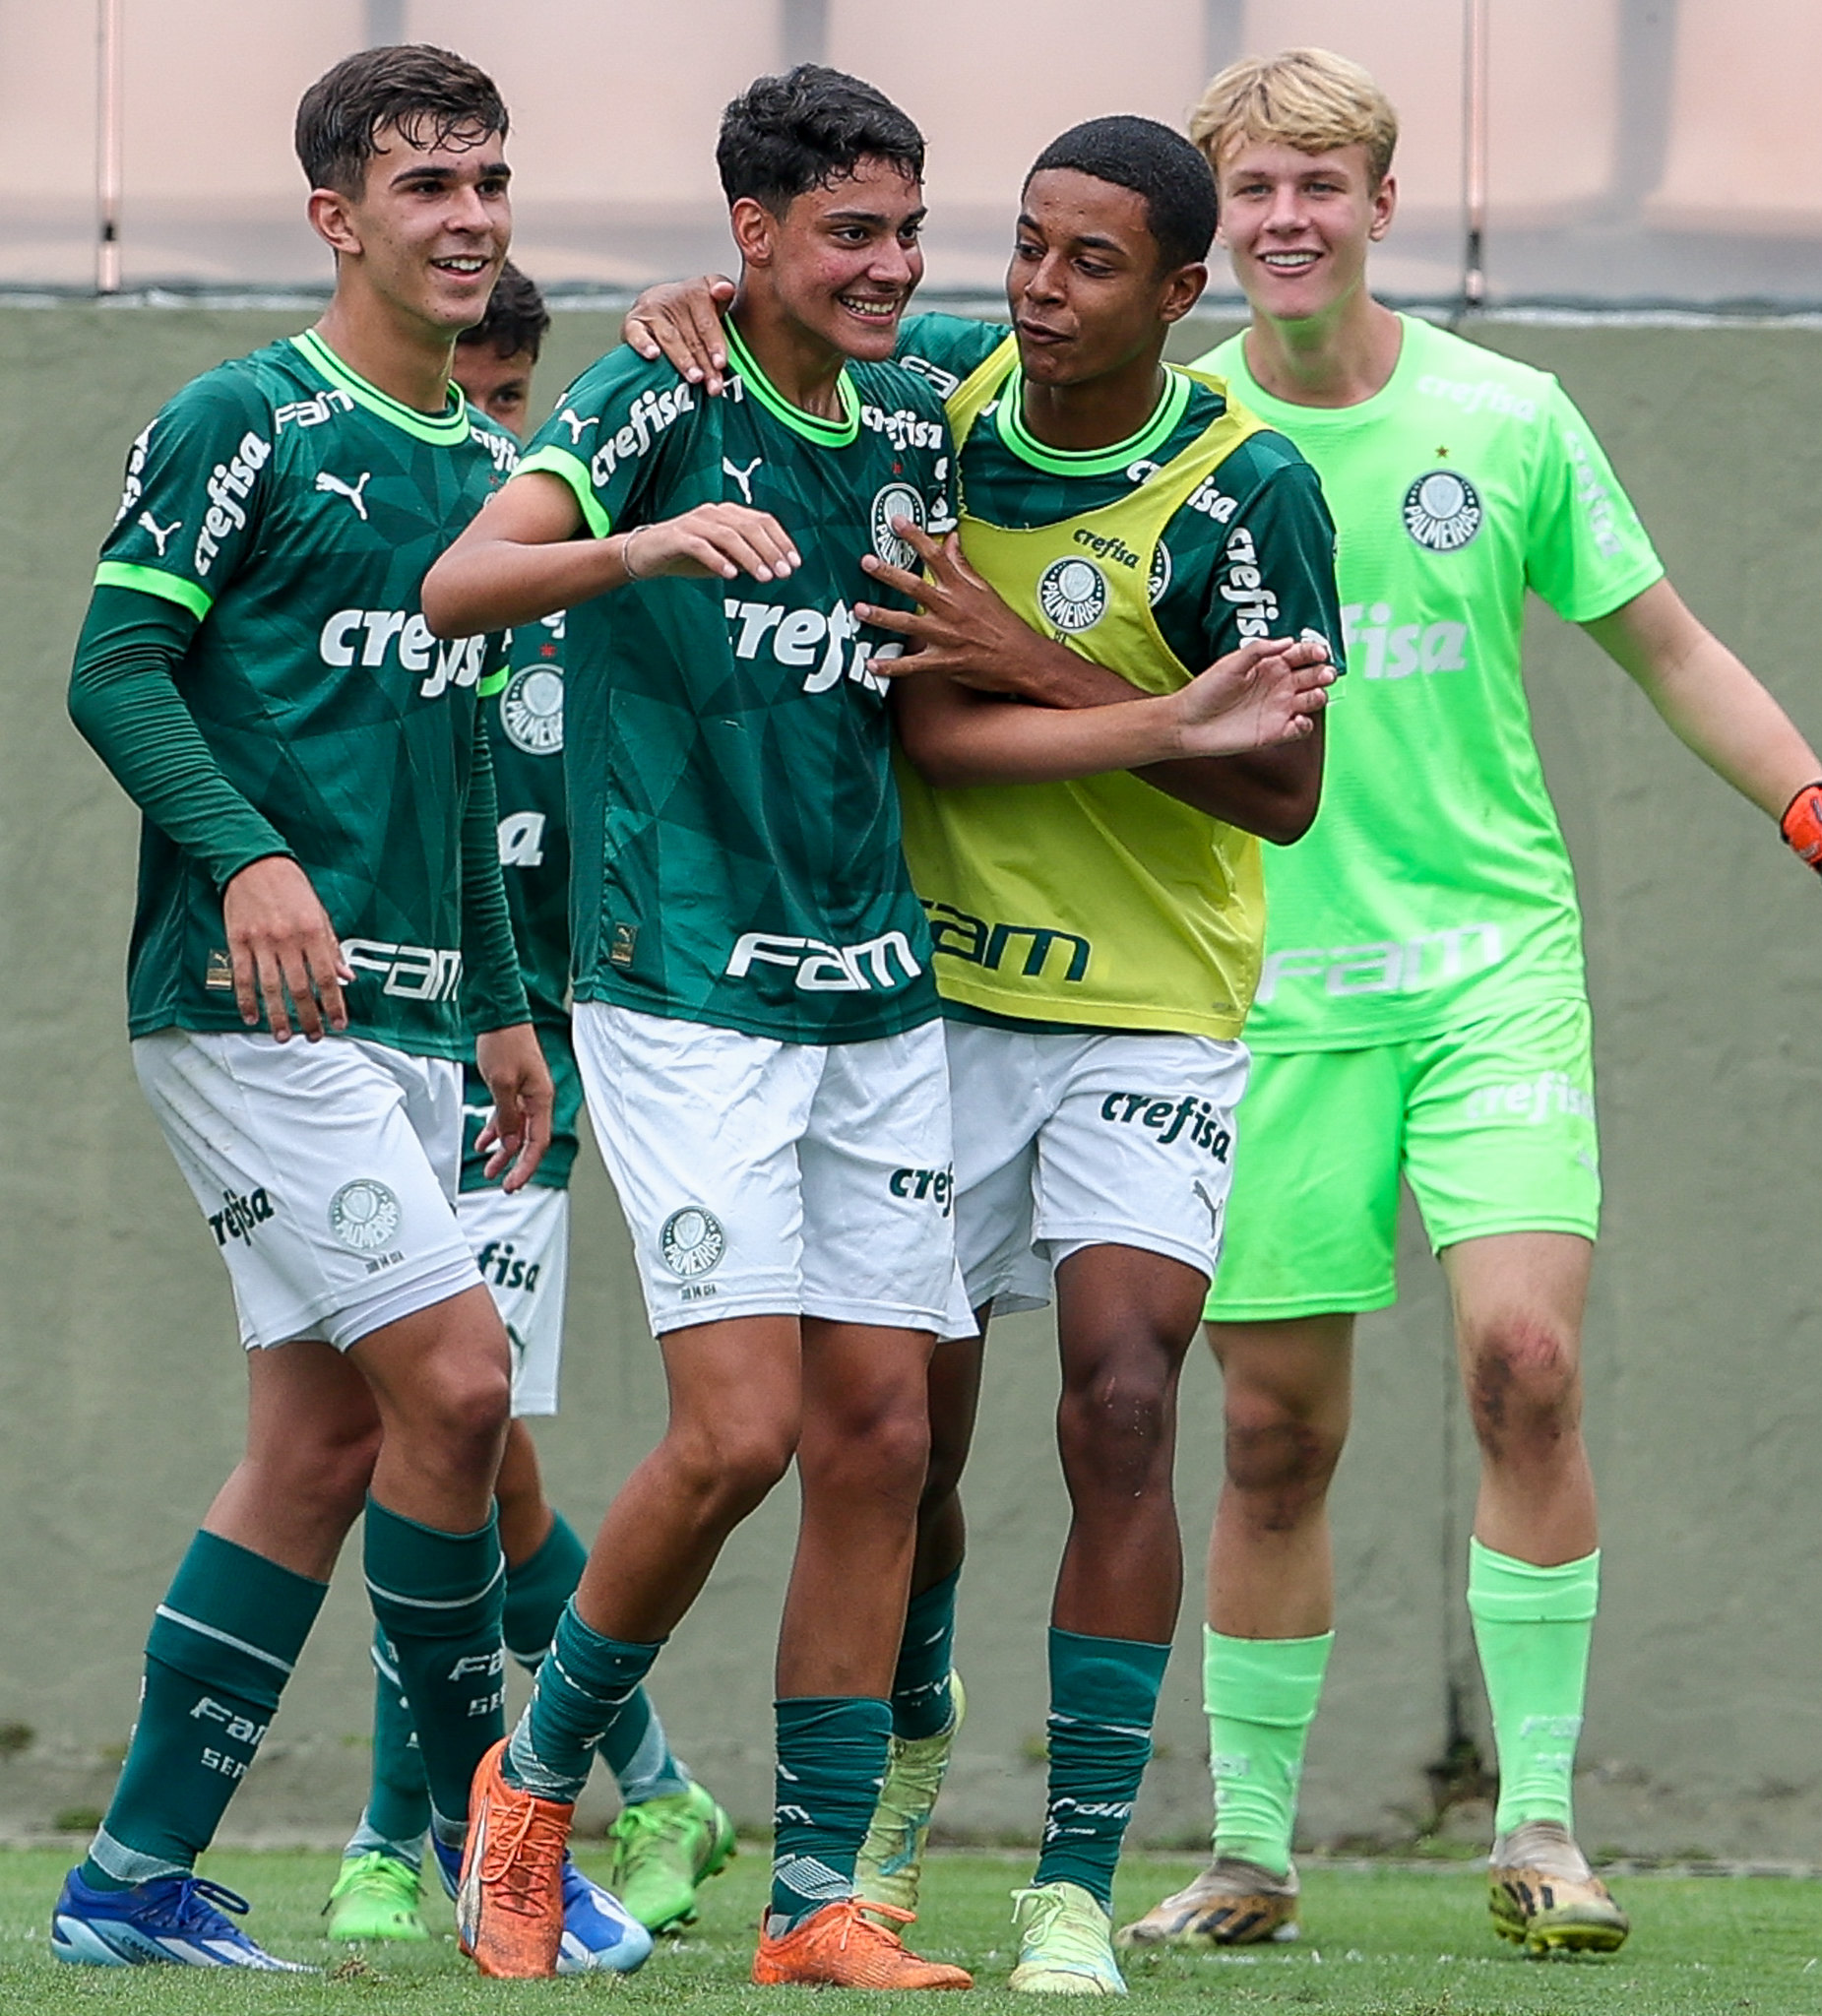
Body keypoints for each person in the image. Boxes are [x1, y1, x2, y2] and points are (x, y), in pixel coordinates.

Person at [424, 68, 1325, 1985]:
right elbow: (462, 580)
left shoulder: (922, 414)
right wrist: (642, 542)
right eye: (852, 233)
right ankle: (534, 1775)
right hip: (684, 987)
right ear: (754, 235)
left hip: (884, 994)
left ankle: (816, 1895)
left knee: (880, 1441)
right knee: (739, 1434)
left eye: (912, 231)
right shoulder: (656, 395)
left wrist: (1160, 711)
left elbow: (943, 683)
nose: (900, 267)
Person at [1108, 47, 1822, 1959]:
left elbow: (1669, 646)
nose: (1290, 219)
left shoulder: (1505, 418)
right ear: (1213, 225)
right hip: (1267, 998)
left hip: (1490, 971)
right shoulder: (1168, 435)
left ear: (1381, 205)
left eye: (1322, 184)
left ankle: (1542, 1826)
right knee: (1271, 1436)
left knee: (1527, 1363)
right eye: (1255, 190)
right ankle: (1249, 1854)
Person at [50, 45, 553, 1972]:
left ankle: (129, 1882)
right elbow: (115, 668)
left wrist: (501, 1004)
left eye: (486, 180)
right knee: (464, 1385)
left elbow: (457, 764)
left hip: (418, 1020)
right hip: (245, 1001)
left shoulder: (483, 472)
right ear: (338, 216)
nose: (468, 217)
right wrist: (249, 856)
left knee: (322, 1449)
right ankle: (498, 1853)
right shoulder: (240, 416)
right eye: (427, 185)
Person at [323, 263, 735, 1953]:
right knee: (456, 1446)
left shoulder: (581, 572)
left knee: (440, 1431)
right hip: (376, 1036)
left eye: (512, 404)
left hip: (528, 1054)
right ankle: (659, 1782)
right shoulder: (375, 568)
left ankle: (394, 1832)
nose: (488, 437)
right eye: (463, 403)